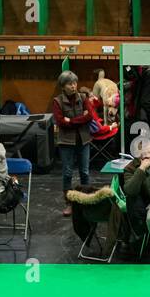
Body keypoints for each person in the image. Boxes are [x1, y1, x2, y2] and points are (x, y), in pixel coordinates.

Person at [52, 70, 93, 215]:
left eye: (75, 83)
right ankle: (69, 203)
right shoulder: (57, 101)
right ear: (63, 86)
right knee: (67, 173)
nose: (73, 86)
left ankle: (87, 201)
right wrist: (80, 118)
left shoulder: (83, 97)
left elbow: (90, 117)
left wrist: (72, 121)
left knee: (85, 172)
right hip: (66, 142)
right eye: (70, 84)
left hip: (84, 140)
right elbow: (61, 122)